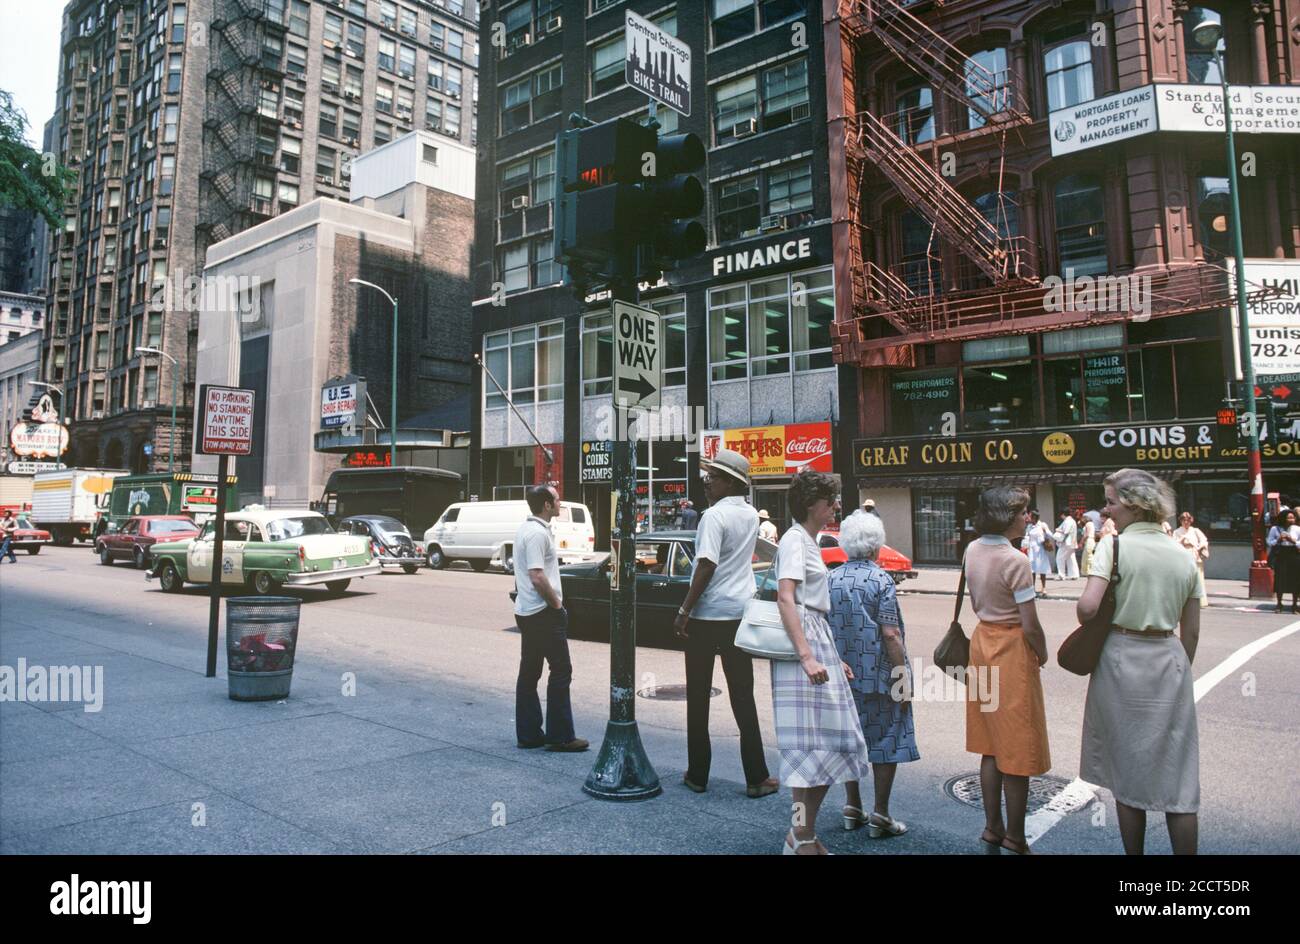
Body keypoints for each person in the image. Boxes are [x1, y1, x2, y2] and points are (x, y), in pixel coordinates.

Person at [1078, 468, 1201, 855]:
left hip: (1120, 658)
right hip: (1169, 659)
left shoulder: (1112, 548)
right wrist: (1180, 667)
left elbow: (1087, 608)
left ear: (1133, 505)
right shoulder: (1183, 557)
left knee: (1127, 770)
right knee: (1178, 775)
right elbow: (1192, 631)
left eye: (1112, 501)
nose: (1106, 508)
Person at [772, 470, 870, 855]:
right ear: (811, 504)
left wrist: (832, 657)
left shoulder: (807, 541)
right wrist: (808, 656)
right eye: (830, 501)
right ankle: (801, 834)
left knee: (831, 743)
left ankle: (800, 833)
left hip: (817, 641)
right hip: (805, 647)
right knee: (809, 748)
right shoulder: (795, 540)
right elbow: (786, 599)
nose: (835, 507)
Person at [673, 448, 778, 799]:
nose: (706, 482)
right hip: (738, 615)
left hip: (706, 616)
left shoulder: (713, 517)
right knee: (742, 696)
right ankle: (757, 777)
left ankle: (697, 775)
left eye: (713, 477)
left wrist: (685, 609)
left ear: (731, 482)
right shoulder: (750, 515)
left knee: (698, 696)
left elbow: (706, 565)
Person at [962, 486, 1051, 855]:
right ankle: (1015, 835)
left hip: (982, 642)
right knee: (1015, 748)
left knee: (989, 745)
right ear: (1007, 517)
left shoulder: (972, 549)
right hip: (1011, 648)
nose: (1028, 518)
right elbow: (1030, 625)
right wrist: (1042, 653)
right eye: (1023, 512)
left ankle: (991, 827)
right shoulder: (1015, 561)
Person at [828, 510, 919, 838]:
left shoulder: (832, 578)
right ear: (876, 545)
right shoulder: (880, 580)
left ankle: (852, 806)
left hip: (844, 675)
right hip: (879, 675)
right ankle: (880, 813)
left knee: (849, 739)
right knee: (886, 739)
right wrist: (902, 675)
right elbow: (891, 634)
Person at [512, 485, 587, 753]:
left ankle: (529, 734)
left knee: (530, 671)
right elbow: (536, 575)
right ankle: (560, 736)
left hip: (529, 611)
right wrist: (557, 604)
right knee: (561, 669)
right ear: (546, 505)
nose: (560, 503)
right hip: (542, 613)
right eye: (556, 499)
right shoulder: (535, 534)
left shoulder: (530, 529)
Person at [1173, 512, 1210, 609]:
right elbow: (1173, 544)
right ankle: (1183, 600)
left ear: (1191, 521)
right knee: (1184, 579)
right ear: (1180, 521)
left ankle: (1200, 600)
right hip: (1183, 556)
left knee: (1198, 578)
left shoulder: (1195, 530)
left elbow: (1204, 540)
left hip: (1194, 555)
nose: (1186, 522)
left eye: (1188, 520)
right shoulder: (1177, 532)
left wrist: (1199, 546)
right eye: (1184, 520)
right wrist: (1181, 540)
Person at [1266, 508, 1300, 613]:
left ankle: (1294, 605)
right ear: (1283, 518)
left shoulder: (1297, 529)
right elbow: (1269, 542)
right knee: (1280, 578)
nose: (1292, 519)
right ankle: (1279, 603)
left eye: (1293, 517)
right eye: (1289, 517)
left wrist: (1293, 541)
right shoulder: (1275, 529)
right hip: (1281, 554)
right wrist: (1278, 540)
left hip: (1294, 554)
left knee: (1295, 579)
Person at [1023, 509, 1054, 593]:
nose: (1028, 517)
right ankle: (1033, 588)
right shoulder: (1029, 527)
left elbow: (1050, 534)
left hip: (1040, 549)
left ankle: (1043, 588)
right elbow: (1026, 537)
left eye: (1029, 516)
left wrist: (1047, 532)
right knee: (1032, 569)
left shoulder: (1042, 525)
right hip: (1031, 550)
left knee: (1042, 568)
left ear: (1033, 517)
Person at [1054, 510, 1079, 580]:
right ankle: (1074, 574)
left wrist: (1058, 530)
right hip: (1072, 543)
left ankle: (1061, 575)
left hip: (1066, 543)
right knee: (1071, 558)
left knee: (1059, 558)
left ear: (1063, 514)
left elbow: (1066, 532)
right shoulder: (1073, 521)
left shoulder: (1067, 521)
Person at [1080, 511, 1099, 577]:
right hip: (1092, 540)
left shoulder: (1088, 524)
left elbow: (1086, 535)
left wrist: (1081, 542)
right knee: (1088, 556)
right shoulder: (1092, 524)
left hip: (1089, 540)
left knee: (1088, 556)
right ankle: (1088, 571)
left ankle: (1088, 571)